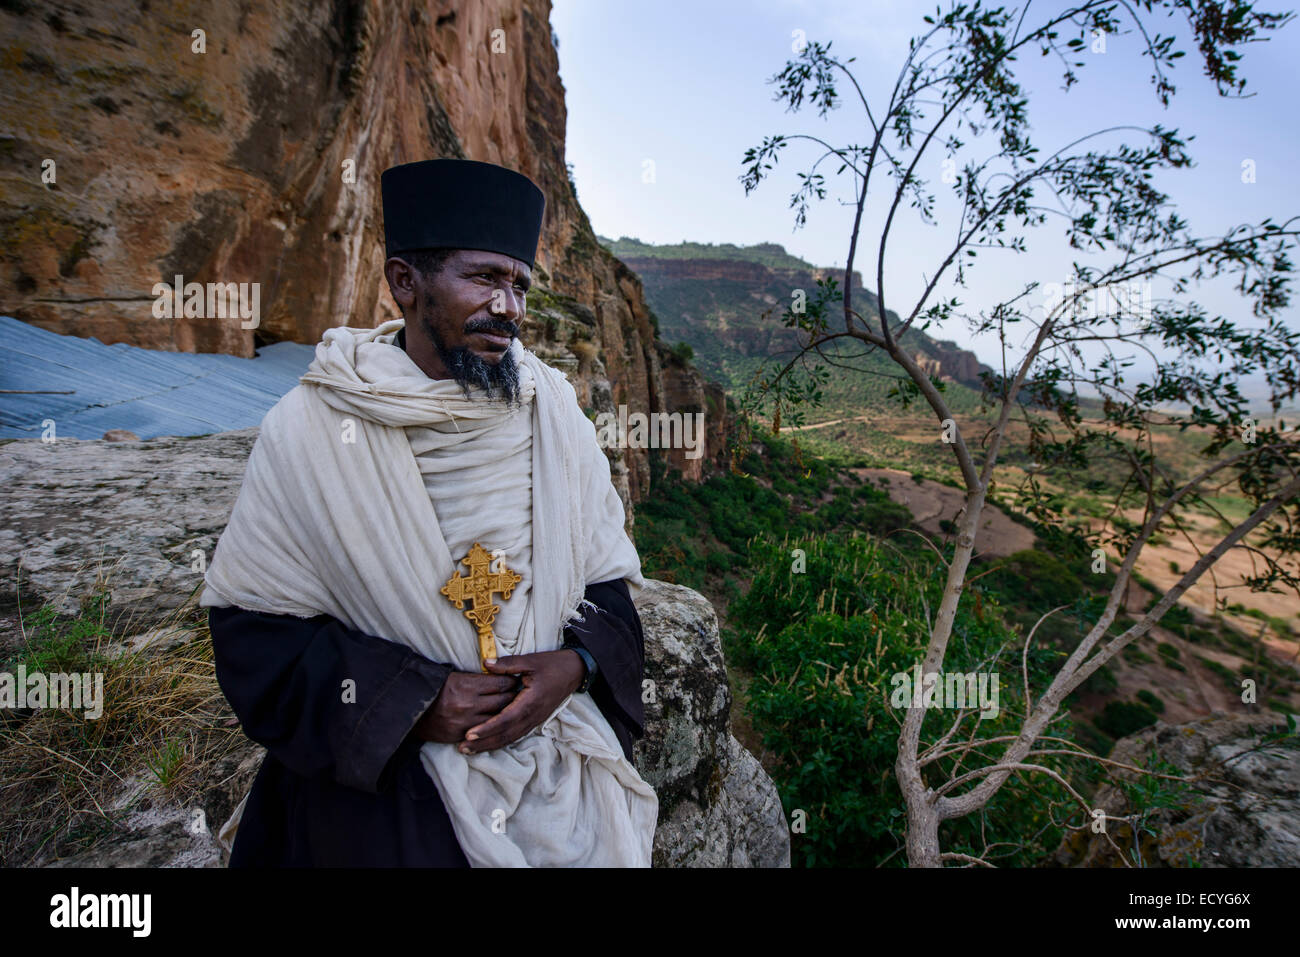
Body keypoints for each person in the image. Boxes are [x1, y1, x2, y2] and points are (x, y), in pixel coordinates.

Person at [202, 158, 658, 867]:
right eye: (483, 278)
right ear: (405, 282)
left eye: (518, 285)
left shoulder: (554, 414)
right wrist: (418, 703)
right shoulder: (312, 429)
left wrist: (575, 665)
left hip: (553, 755)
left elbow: (608, 583)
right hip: (384, 776)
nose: (508, 307)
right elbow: (254, 634)